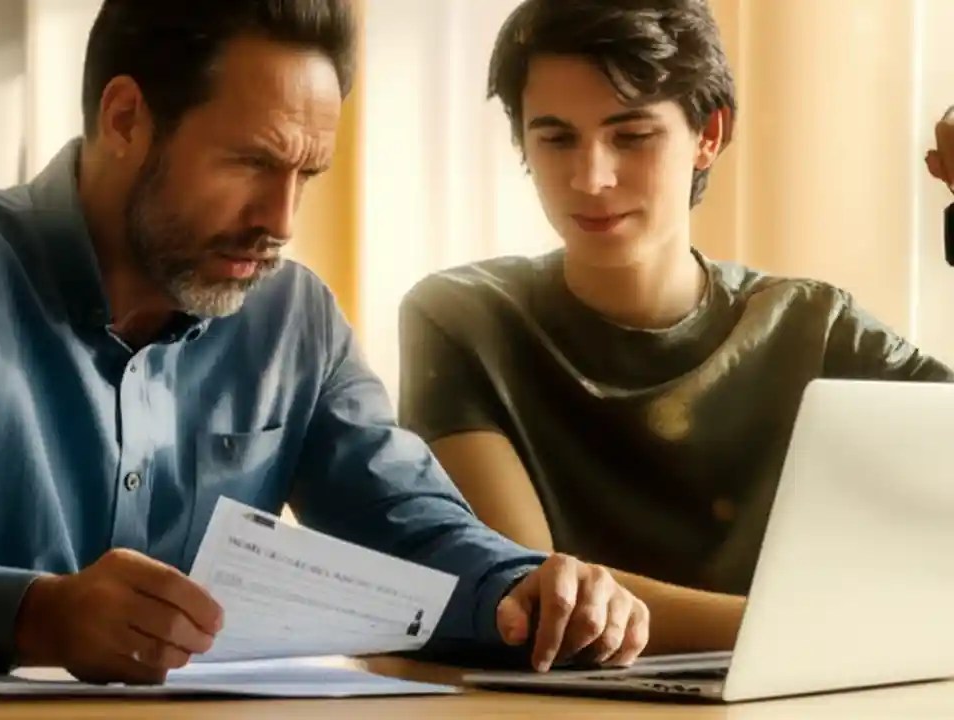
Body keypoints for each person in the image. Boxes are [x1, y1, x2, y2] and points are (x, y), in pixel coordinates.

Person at [0, 0, 727, 684]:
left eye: (308, 175)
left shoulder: (292, 318)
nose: (281, 219)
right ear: (124, 118)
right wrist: (35, 613)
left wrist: (530, 591)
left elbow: (417, 535)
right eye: (251, 162)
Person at [398, 0, 954, 653]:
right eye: (556, 137)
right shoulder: (463, 317)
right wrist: (823, 635)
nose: (590, 177)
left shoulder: (812, 327)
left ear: (709, 134)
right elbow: (537, 596)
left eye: (631, 135)